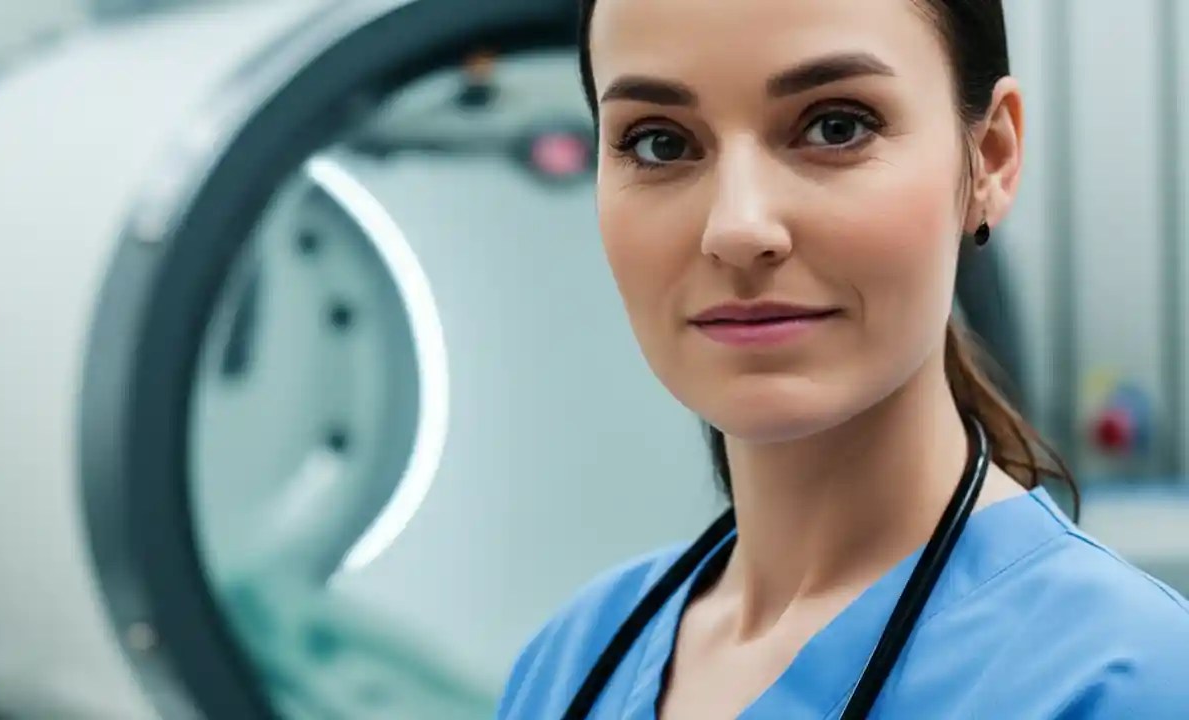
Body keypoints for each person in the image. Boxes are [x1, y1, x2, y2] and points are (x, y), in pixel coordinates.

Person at [495, 0, 1189, 717]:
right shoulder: (571, 662)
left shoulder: (1124, 680)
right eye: (659, 144)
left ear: (990, 159)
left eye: (836, 126)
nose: (738, 227)